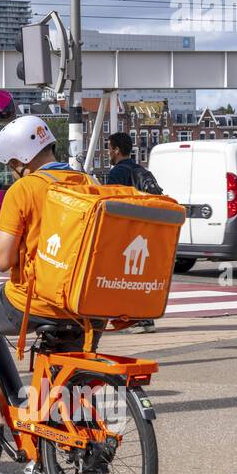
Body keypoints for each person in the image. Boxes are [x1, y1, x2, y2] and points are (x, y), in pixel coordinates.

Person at [0, 115, 80, 435]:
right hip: (83, 304)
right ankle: (75, 457)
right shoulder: (86, 182)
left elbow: (3, 260)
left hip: (37, 300)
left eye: (10, 164)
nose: (12, 170)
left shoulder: (24, 190)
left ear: (21, 160)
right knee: (68, 387)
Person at [105, 132, 157, 333]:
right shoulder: (141, 170)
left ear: (116, 150)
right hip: (145, 233)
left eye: (109, 148)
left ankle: (132, 320)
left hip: (125, 234)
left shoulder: (117, 172)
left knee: (123, 280)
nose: (109, 151)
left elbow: (112, 204)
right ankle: (146, 320)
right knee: (140, 278)